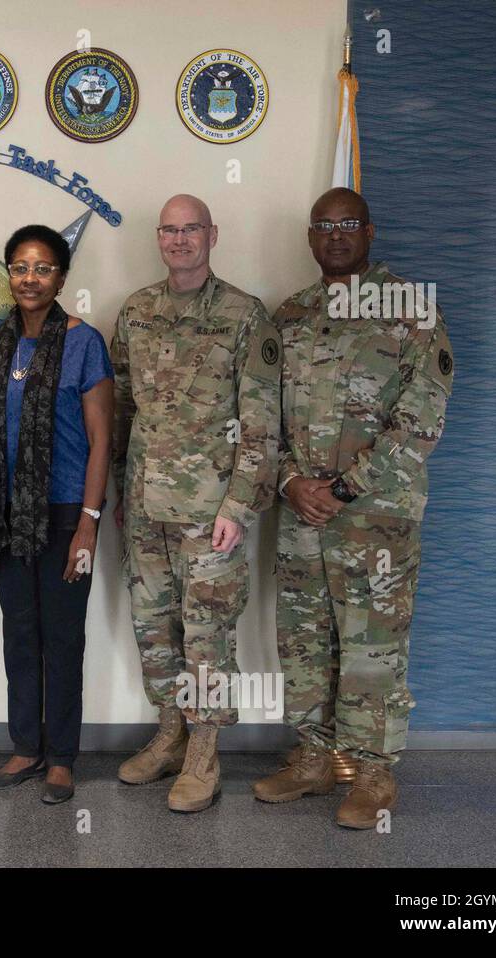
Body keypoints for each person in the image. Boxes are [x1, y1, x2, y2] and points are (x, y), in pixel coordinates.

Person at [252, 187, 454, 828]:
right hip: (300, 519)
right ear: (310, 237)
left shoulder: (411, 311)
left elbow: (421, 420)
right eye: (323, 225)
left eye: (347, 224)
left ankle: (372, 773)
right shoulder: (289, 316)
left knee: (373, 649)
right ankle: (314, 760)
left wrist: (339, 489)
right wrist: (289, 483)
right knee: (303, 641)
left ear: (370, 231)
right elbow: (258, 418)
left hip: (376, 518)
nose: (335, 234)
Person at [110, 194, 281, 812]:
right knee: (154, 630)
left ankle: (204, 753)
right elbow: (122, 408)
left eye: (191, 230)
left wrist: (238, 506)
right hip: (145, 508)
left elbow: (262, 424)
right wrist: (119, 493)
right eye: (169, 231)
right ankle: (170, 733)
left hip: (211, 514)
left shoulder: (244, 315)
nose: (180, 240)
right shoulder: (137, 311)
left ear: (212, 235)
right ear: (159, 238)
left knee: (207, 635)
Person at [0, 225, 113, 805]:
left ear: (62, 278)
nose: (30, 278)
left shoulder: (83, 341)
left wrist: (89, 522)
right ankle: (26, 747)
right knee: (19, 632)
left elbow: (102, 440)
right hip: (5, 511)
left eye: (43, 268)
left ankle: (63, 758)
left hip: (66, 507)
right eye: (20, 267)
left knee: (62, 635)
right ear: (9, 275)